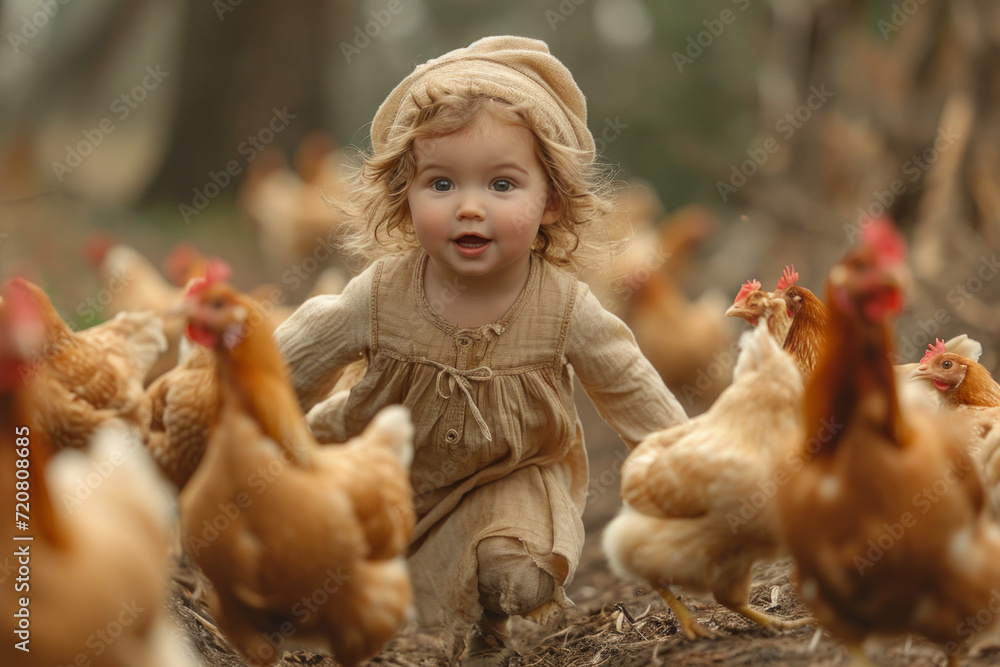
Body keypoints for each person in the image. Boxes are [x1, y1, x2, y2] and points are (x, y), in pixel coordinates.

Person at [274, 35, 688, 666]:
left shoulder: (565, 307)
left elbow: (630, 385)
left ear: (550, 201)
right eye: (441, 184)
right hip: (381, 471)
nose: (469, 207)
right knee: (309, 573)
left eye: (501, 184)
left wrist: (690, 467)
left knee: (511, 572)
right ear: (405, 194)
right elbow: (299, 355)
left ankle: (488, 616)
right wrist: (243, 411)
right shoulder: (381, 295)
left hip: (510, 475)